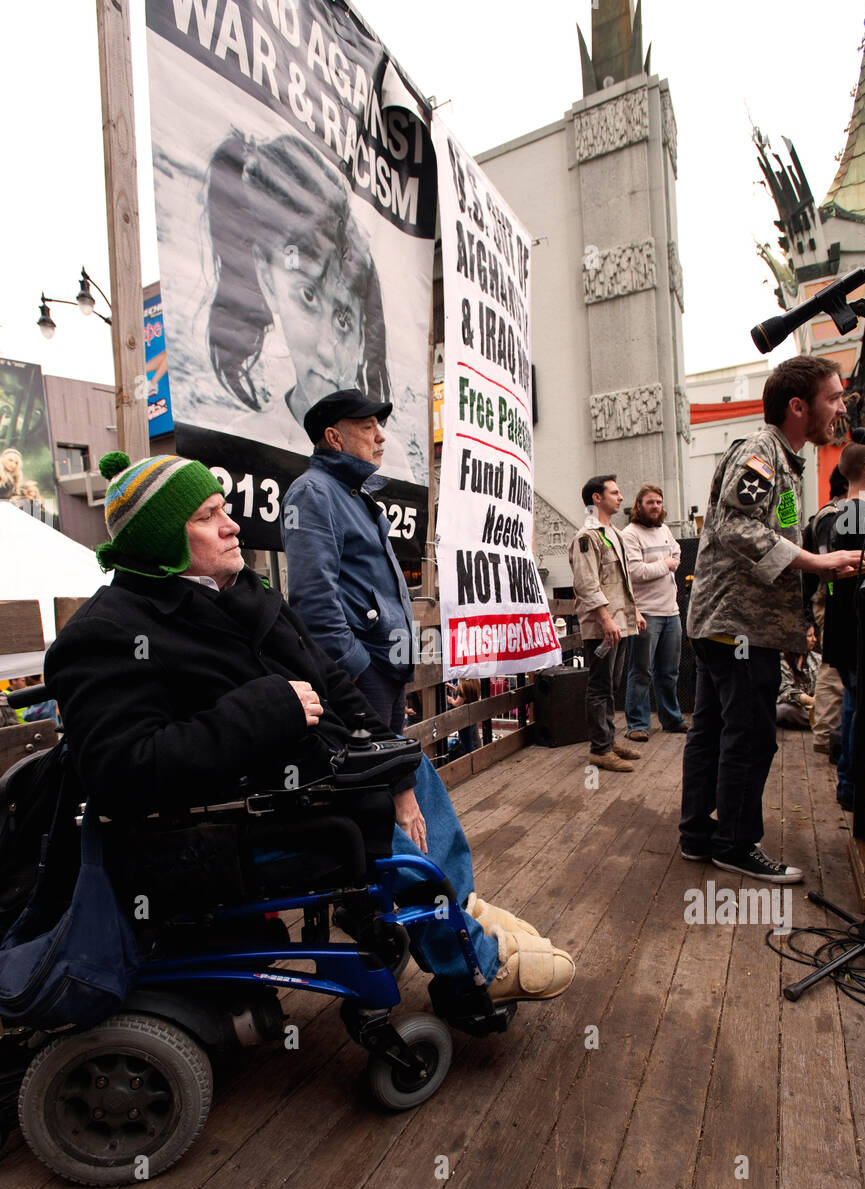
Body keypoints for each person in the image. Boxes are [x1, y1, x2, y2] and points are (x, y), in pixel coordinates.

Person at [44, 451, 574, 1004]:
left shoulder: (246, 590)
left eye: (225, 508)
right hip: (221, 828)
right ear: (159, 540)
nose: (232, 526)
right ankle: (474, 967)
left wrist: (387, 756)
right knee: (365, 806)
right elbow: (121, 771)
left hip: (300, 785)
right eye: (207, 516)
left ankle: (461, 912)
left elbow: (331, 679)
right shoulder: (106, 634)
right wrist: (266, 711)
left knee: (407, 761)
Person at [680, 356, 865, 882]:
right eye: (833, 398)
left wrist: (790, 630)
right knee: (751, 735)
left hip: (741, 623)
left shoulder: (785, 460)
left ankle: (699, 834)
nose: (840, 408)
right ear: (798, 405)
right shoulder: (762, 452)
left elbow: (775, 545)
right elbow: (735, 525)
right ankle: (736, 844)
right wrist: (818, 562)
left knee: (715, 729)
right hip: (737, 625)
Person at [205, 134, 409, 480]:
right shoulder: (244, 443)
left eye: (344, 319)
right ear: (267, 281)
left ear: (363, 332)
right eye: (308, 298)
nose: (328, 350)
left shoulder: (391, 456)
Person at [282, 389, 415, 735]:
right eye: (367, 426)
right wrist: (355, 666)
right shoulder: (313, 492)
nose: (380, 435)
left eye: (379, 425)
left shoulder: (353, 493)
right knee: (375, 776)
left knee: (392, 771)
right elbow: (312, 596)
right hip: (367, 670)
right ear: (333, 437)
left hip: (388, 665)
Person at [821, 441, 865, 811]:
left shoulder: (839, 514)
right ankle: (854, 786)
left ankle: (850, 784)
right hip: (860, 628)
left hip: (847, 627)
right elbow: (842, 580)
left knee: (853, 702)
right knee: (859, 705)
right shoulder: (864, 516)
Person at [568, 474, 646, 773]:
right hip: (603, 627)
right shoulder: (588, 536)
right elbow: (587, 584)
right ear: (596, 498)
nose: (621, 497)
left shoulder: (613, 533)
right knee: (600, 686)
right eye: (614, 492)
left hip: (619, 623)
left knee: (611, 685)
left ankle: (608, 741)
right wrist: (604, 619)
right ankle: (599, 749)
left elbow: (621, 582)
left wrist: (634, 612)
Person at [621, 483, 688, 741]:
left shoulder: (665, 530)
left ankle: (671, 719)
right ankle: (636, 724)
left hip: (671, 611)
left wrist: (667, 563)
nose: (655, 507)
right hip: (646, 612)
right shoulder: (630, 534)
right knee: (641, 671)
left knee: (669, 671)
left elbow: (677, 553)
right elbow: (636, 572)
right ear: (639, 506)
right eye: (650, 502)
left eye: (658, 502)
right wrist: (665, 564)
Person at [801, 465, 849, 757]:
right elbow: (828, 566)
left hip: (831, 599)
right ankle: (827, 734)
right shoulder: (831, 517)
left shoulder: (837, 514)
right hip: (830, 599)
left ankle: (830, 732)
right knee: (834, 663)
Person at [776, 624, 820, 727]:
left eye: (814, 635)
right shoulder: (781, 660)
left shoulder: (816, 659)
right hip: (794, 707)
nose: (814, 639)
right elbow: (784, 690)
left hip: (815, 709)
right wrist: (808, 700)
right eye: (809, 636)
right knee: (784, 711)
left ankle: (819, 721)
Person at [446, 679, 481, 759]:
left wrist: (450, 700)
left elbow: (458, 703)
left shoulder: (464, 686)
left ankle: (473, 761)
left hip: (464, 718)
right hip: (472, 715)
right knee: (472, 739)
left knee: (466, 743)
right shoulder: (474, 683)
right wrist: (452, 688)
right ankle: (477, 757)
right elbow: (463, 695)